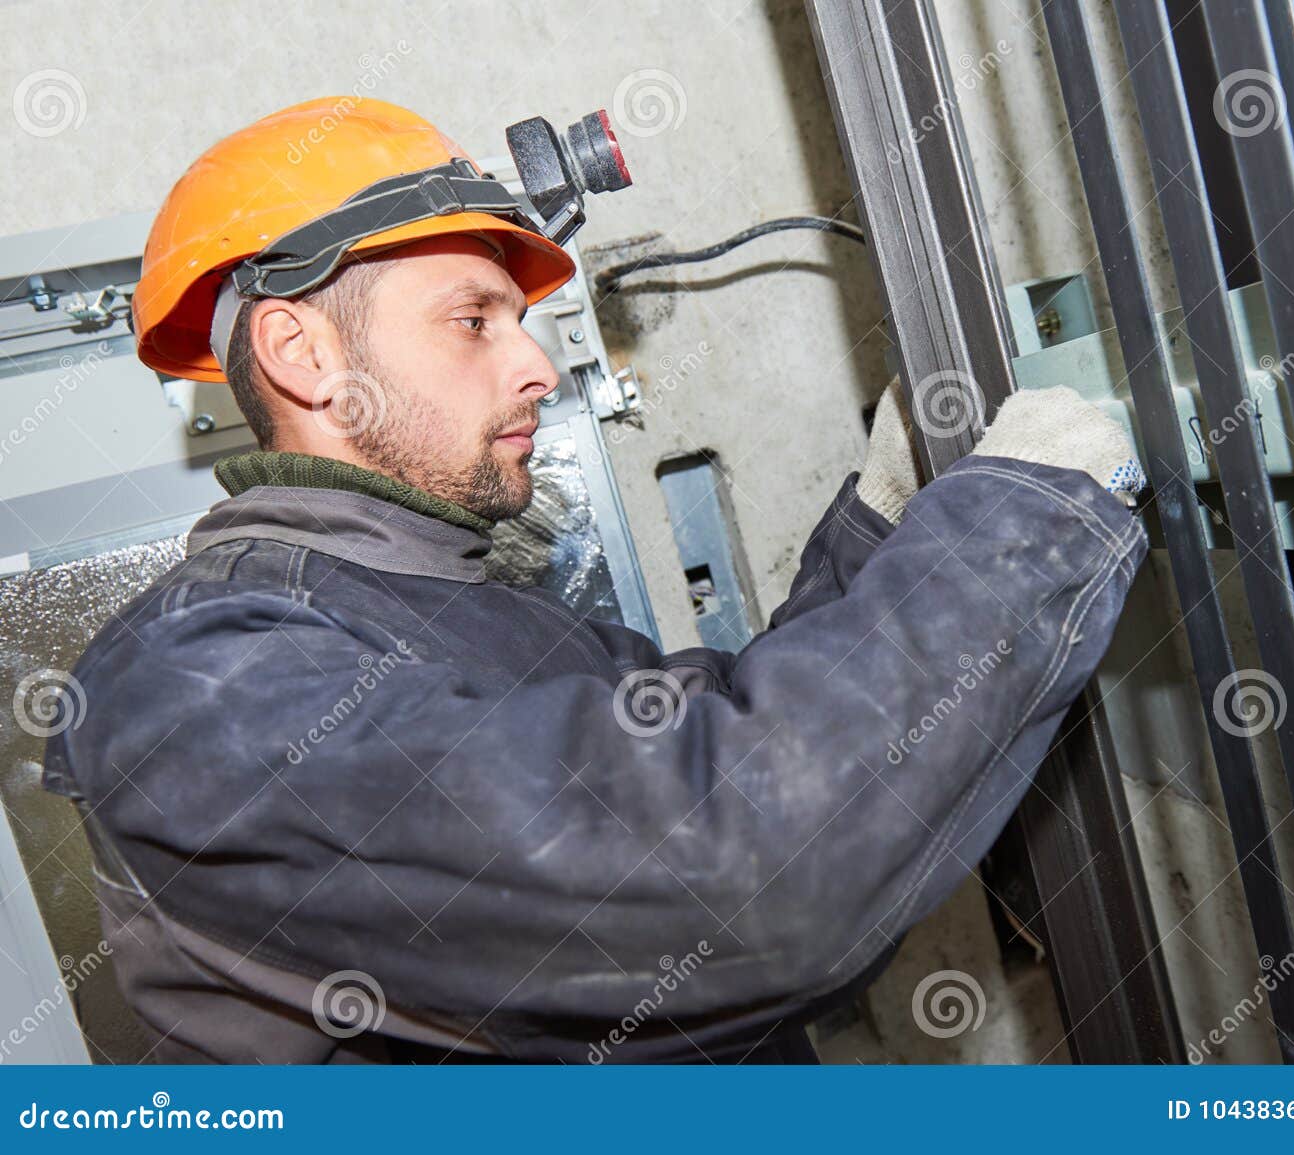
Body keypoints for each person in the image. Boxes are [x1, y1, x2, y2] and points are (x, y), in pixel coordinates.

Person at [44, 98, 1148, 1063]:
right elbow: (742, 877)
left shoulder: (480, 618)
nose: (535, 365)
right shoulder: (203, 686)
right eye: (473, 319)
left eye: (519, 323)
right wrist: (1019, 530)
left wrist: (891, 517)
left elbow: (741, 750)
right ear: (304, 356)